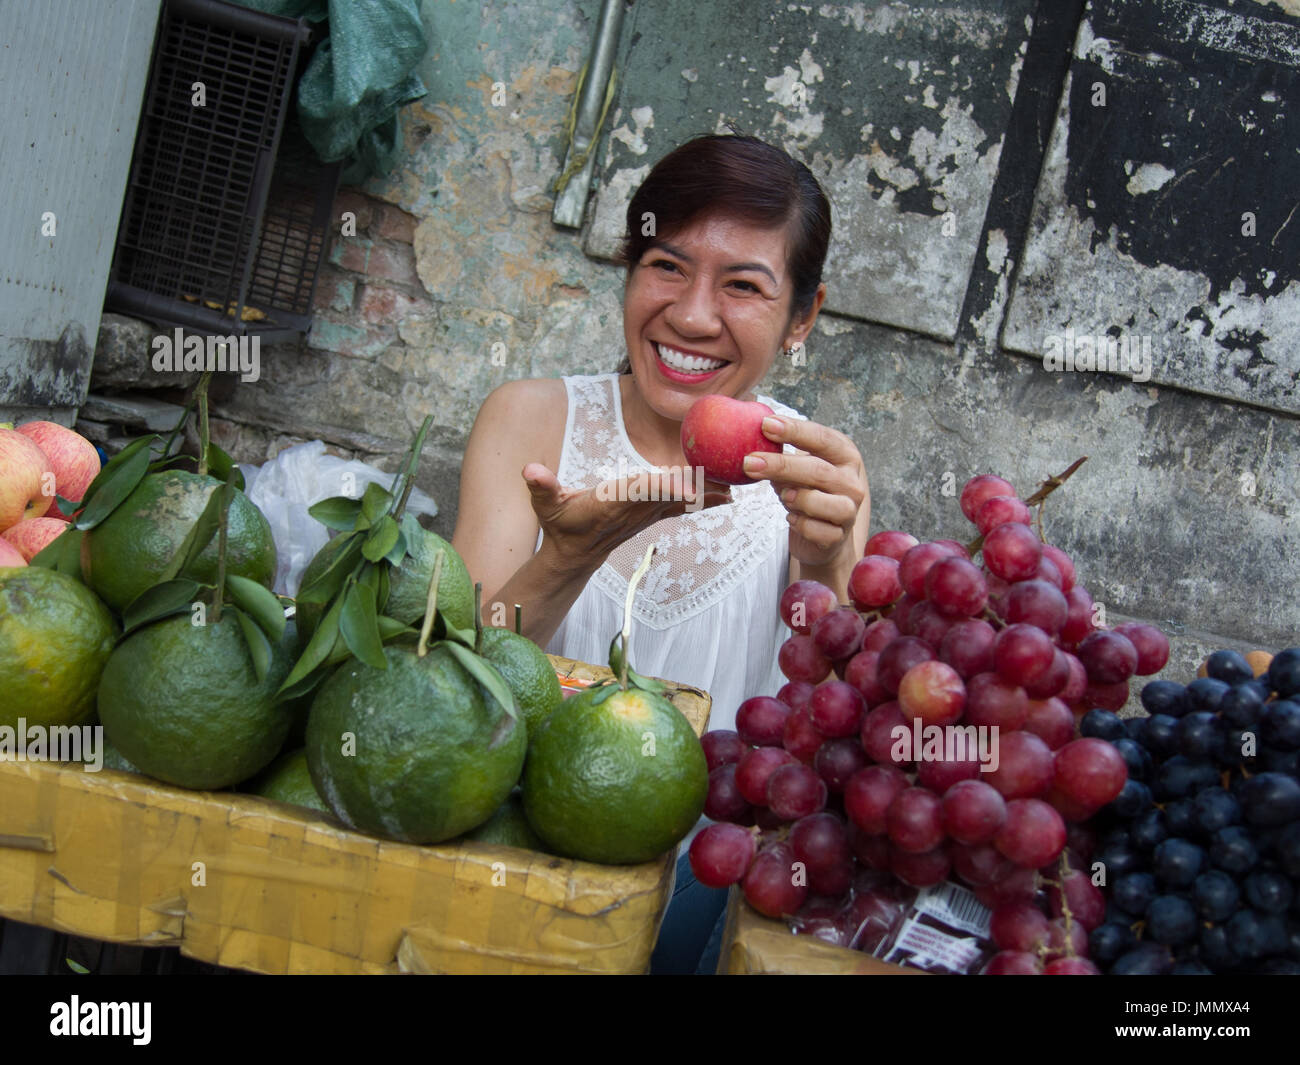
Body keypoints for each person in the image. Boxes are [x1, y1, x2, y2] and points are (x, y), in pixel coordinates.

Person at [452, 134, 870, 973]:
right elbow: (452, 680)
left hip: (699, 912)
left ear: (803, 317)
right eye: (667, 266)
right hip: (501, 871)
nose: (690, 315)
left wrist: (827, 567)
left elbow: (828, 745)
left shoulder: (816, 479)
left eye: (744, 285)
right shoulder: (529, 421)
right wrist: (566, 555)